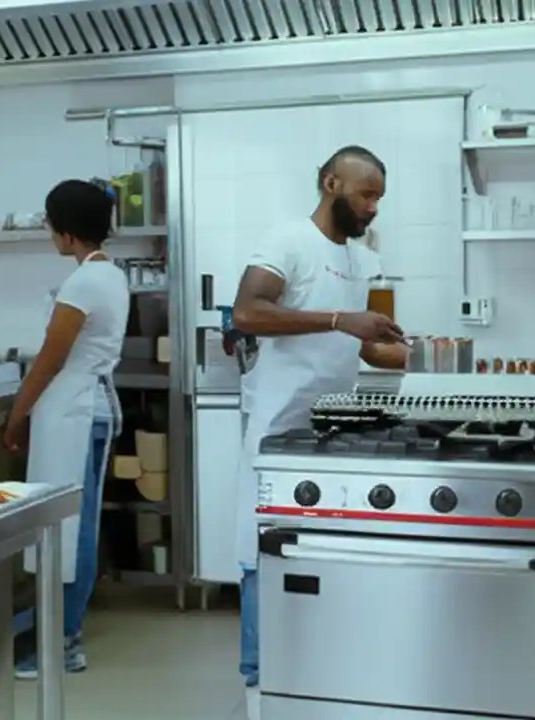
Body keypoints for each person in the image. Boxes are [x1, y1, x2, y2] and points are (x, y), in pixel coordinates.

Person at [230, 146, 407, 718]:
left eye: (379, 196)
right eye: (366, 194)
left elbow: (362, 347)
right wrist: (338, 318)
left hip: (330, 432)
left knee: (319, 554)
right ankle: (259, 687)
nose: (373, 207)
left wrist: (413, 352)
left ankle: (315, 681)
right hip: (278, 432)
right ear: (332, 183)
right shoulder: (287, 241)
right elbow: (248, 313)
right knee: (264, 551)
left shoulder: (360, 259)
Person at [2, 179, 128, 679]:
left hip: (78, 413)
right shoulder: (108, 276)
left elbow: (50, 360)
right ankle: (52, 631)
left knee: (72, 532)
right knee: (68, 528)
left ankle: (62, 641)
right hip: (82, 409)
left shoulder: (83, 284)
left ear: (67, 232)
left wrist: (17, 415)